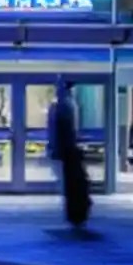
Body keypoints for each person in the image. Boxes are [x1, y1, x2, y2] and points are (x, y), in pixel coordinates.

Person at [48, 81, 91, 227]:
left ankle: (74, 213)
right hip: (68, 152)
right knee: (72, 184)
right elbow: (65, 131)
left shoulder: (61, 107)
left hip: (67, 152)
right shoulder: (67, 107)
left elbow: (58, 131)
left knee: (70, 184)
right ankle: (76, 213)